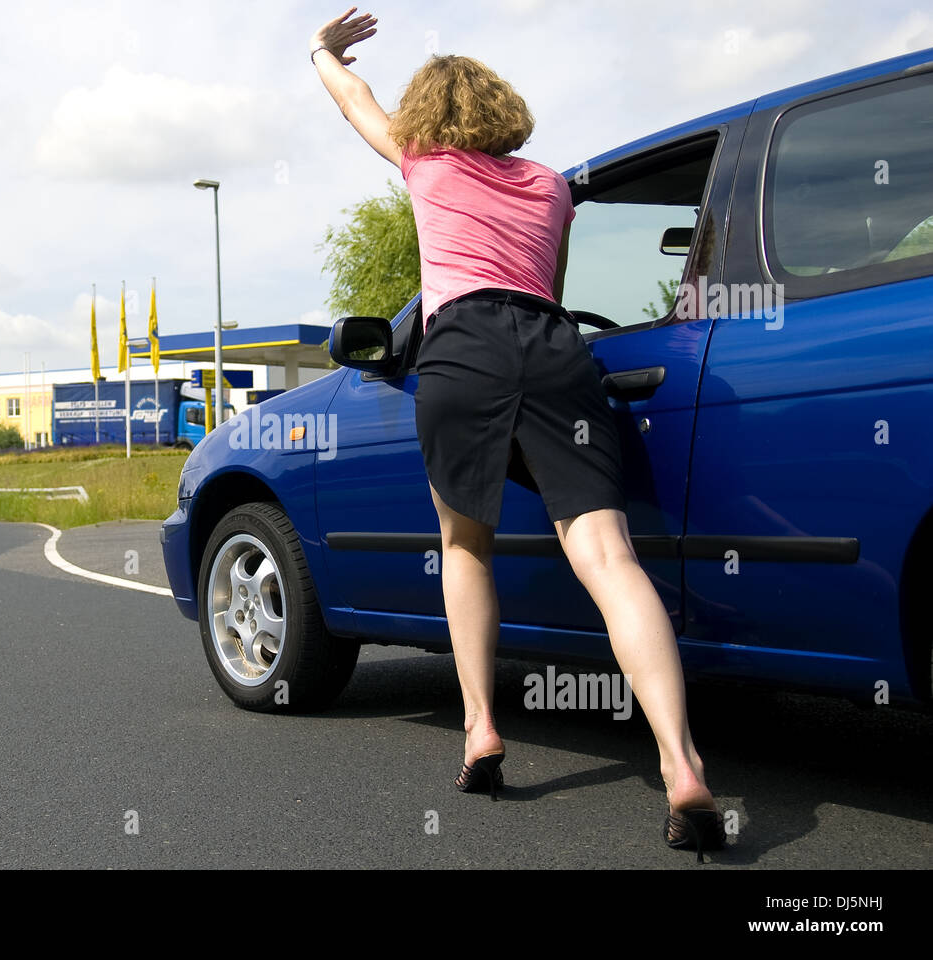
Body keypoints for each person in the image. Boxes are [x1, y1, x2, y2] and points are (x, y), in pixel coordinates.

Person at [310, 7, 723, 860]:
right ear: (504, 111)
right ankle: (681, 765)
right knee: (609, 557)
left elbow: (355, 102)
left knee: (464, 546)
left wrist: (320, 52)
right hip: (554, 348)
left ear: (430, 119)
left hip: (462, 352)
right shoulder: (550, 188)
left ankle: (481, 731)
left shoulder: (423, 165)